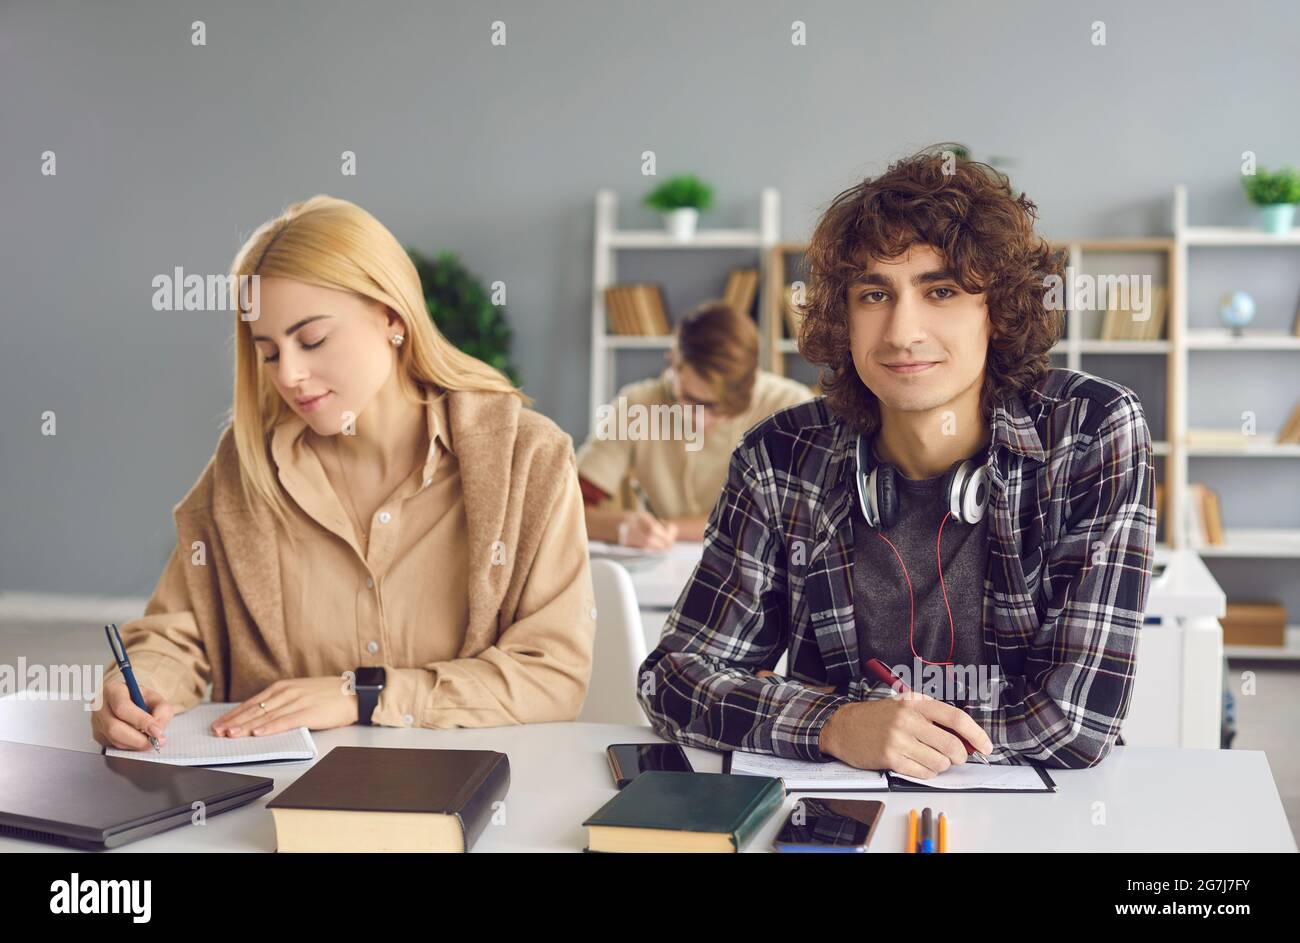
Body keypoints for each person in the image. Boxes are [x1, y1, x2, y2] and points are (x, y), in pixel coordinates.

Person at [637, 145, 1157, 775]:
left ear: (997, 310)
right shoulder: (780, 455)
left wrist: (877, 725)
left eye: (940, 290)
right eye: (874, 294)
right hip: (839, 812)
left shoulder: (1090, 430)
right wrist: (833, 726)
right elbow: (674, 678)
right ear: (843, 314)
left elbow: (1074, 723)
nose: (902, 332)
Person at [92, 195, 596, 751]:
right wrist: (136, 684)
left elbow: (552, 676)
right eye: (269, 352)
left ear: (392, 317)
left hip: (477, 805)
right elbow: (174, 634)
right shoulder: (246, 467)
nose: (290, 374)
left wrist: (367, 694)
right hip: (283, 812)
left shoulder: (528, 460)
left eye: (312, 340)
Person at [577, 300, 814, 549]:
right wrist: (620, 527)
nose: (700, 420)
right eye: (690, 400)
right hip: (664, 570)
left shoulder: (791, 407)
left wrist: (673, 528)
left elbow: (805, 516)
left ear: (752, 382)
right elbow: (568, 507)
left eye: (719, 408)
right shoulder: (636, 406)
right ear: (673, 366)